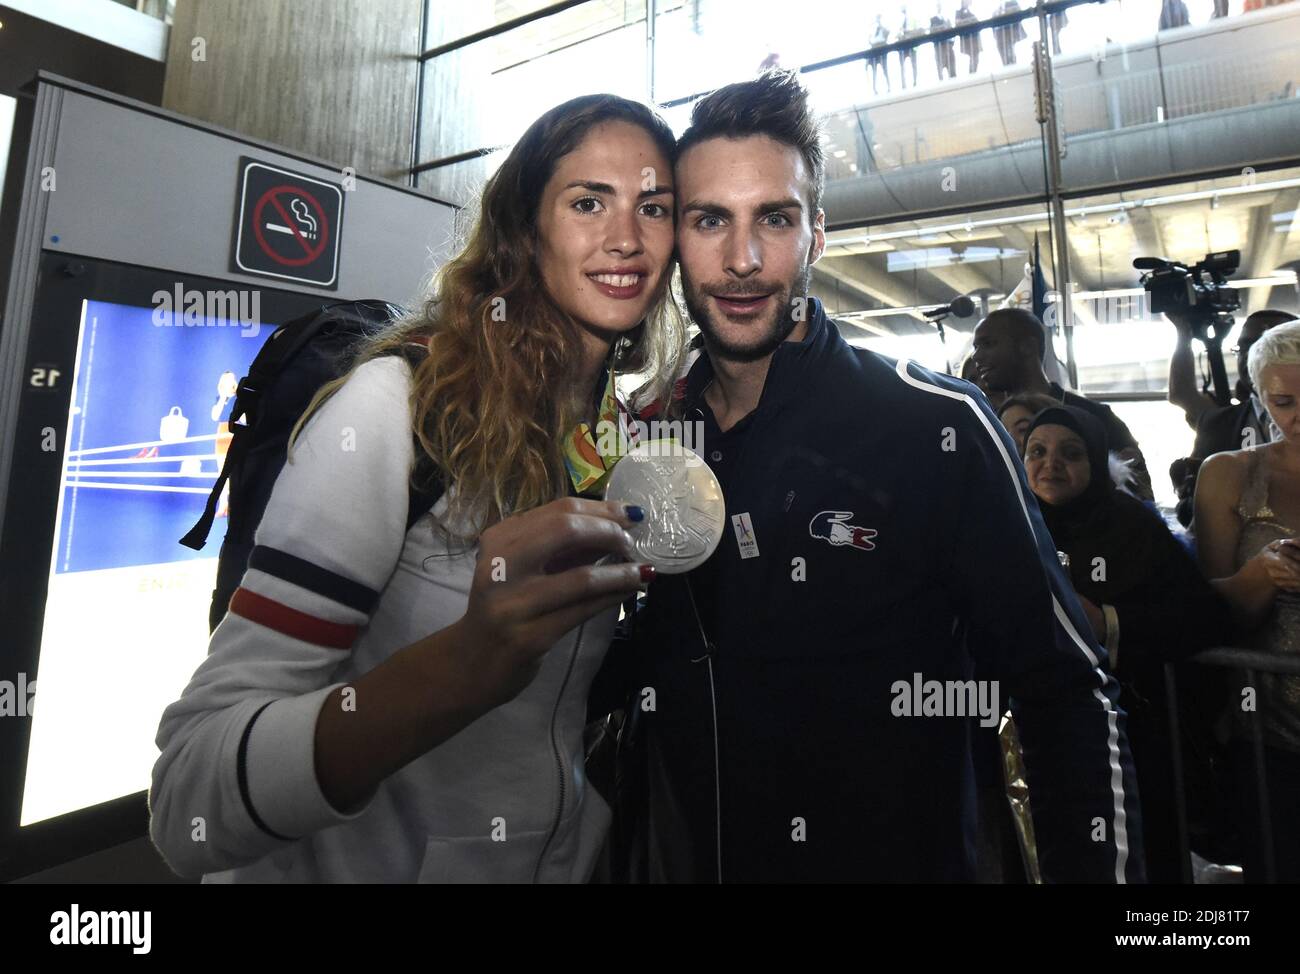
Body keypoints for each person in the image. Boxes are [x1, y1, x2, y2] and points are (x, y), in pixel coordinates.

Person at [599, 70, 1145, 883]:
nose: (742, 260)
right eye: (710, 219)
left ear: (816, 233)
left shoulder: (936, 426)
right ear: (675, 237)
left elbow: (1065, 691)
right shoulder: (646, 430)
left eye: (773, 220)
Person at [148, 93, 687, 883]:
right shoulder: (399, 412)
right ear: (524, 230)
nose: (626, 238)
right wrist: (460, 668)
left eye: (654, 207)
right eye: (587, 202)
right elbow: (188, 804)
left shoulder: (612, 436)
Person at [1024, 406, 1234, 882]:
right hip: (1042, 730)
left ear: (1097, 463)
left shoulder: (1131, 526)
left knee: (1140, 852)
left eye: (1070, 453)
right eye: (1036, 451)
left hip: (1134, 733)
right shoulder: (1012, 523)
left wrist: (1108, 623)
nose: (1050, 464)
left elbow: (1203, 618)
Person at [1194, 319, 1300, 882]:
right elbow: (1206, 606)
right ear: (1260, 400)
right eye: (1284, 402)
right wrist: (1262, 575)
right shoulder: (1230, 474)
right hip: (1267, 731)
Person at [971, 307, 1153, 499]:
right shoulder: (986, 424)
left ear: (1028, 347)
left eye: (988, 344)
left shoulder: (1096, 418)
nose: (976, 356)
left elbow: (1141, 497)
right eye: (976, 347)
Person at [954, 0, 982, 74]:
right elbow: (958, 23)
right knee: (973, 56)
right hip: (967, 39)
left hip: (975, 38)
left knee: (976, 57)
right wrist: (970, 21)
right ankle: (972, 73)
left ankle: (974, 72)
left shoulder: (972, 11)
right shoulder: (959, 12)